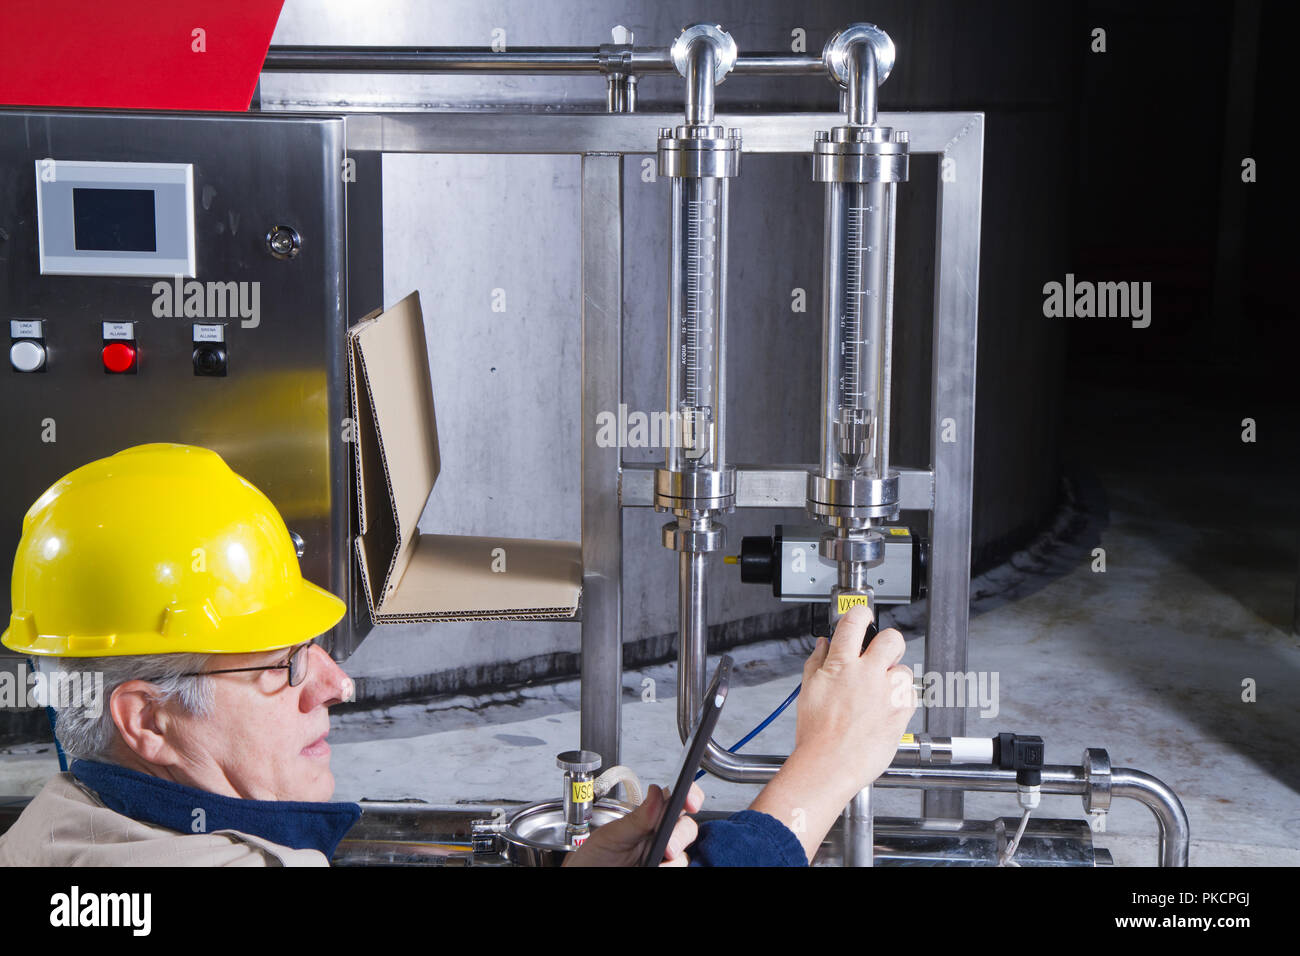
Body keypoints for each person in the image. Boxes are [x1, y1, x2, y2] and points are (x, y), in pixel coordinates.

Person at [0, 444, 913, 866]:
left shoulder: (59, 829)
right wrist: (824, 771)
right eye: (280, 666)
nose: (336, 683)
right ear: (148, 720)